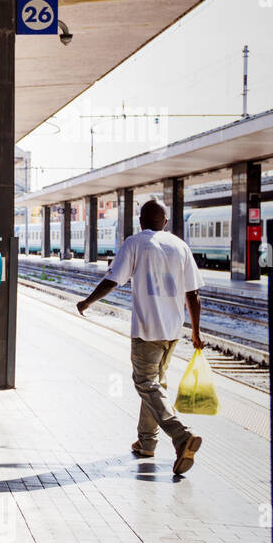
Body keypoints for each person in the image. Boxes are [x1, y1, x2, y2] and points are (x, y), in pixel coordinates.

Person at [76, 199, 205, 475]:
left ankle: (182, 436)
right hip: (172, 333)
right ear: (166, 222)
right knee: (155, 385)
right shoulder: (180, 246)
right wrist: (195, 330)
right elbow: (193, 294)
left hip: (147, 332)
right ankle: (147, 443)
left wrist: (87, 301)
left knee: (146, 384)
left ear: (141, 222)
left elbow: (113, 280)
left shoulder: (135, 243)